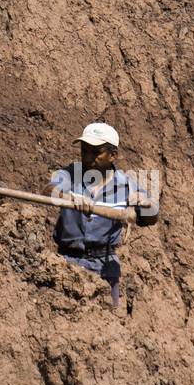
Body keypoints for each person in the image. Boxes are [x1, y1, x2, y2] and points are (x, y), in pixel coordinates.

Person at [45, 122, 159, 307]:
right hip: (66, 263)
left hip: (104, 266)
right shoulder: (69, 174)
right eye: (85, 151)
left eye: (96, 152)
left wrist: (146, 206)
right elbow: (49, 191)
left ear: (113, 155)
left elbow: (151, 217)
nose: (88, 157)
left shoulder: (126, 185)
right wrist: (69, 197)